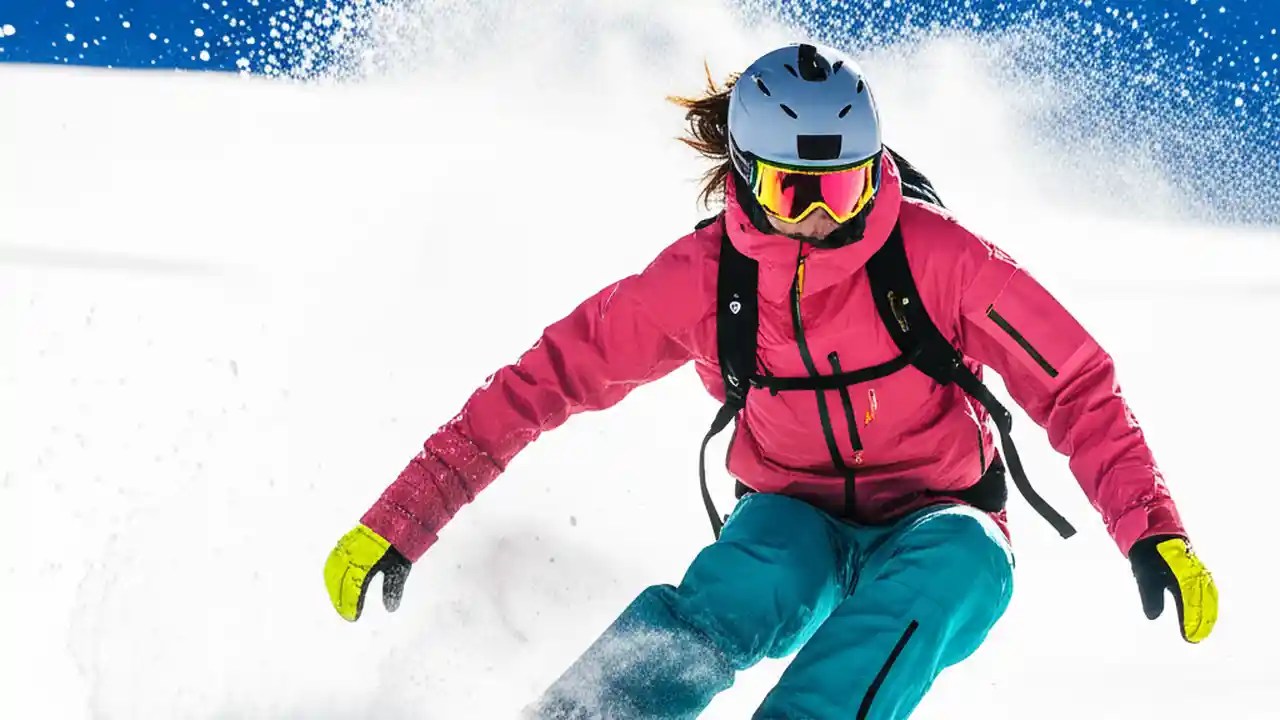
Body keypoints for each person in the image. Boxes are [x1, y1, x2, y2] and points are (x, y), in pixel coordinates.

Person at [323, 43, 1218, 719]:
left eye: (850, 185)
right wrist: (402, 520)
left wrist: (1153, 529)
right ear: (748, 178)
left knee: (958, 566)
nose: (829, 216)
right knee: (744, 588)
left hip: (941, 515)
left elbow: (1077, 385)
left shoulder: (944, 261)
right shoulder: (702, 280)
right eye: (799, 194)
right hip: (789, 511)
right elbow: (541, 381)